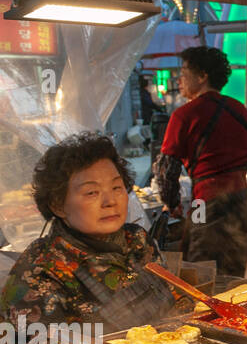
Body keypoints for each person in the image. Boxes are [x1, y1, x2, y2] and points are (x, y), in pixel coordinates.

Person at [2, 133, 184, 330]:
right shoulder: (40, 270)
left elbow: (174, 296)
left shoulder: (137, 239)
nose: (110, 201)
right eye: (91, 192)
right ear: (57, 205)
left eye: (116, 187)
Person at [155, 46, 247, 275]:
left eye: (184, 71)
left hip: (208, 198)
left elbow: (166, 168)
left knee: (199, 252)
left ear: (202, 76)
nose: (178, 79)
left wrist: (171, 204)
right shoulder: (237, 107)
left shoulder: (184, 114)